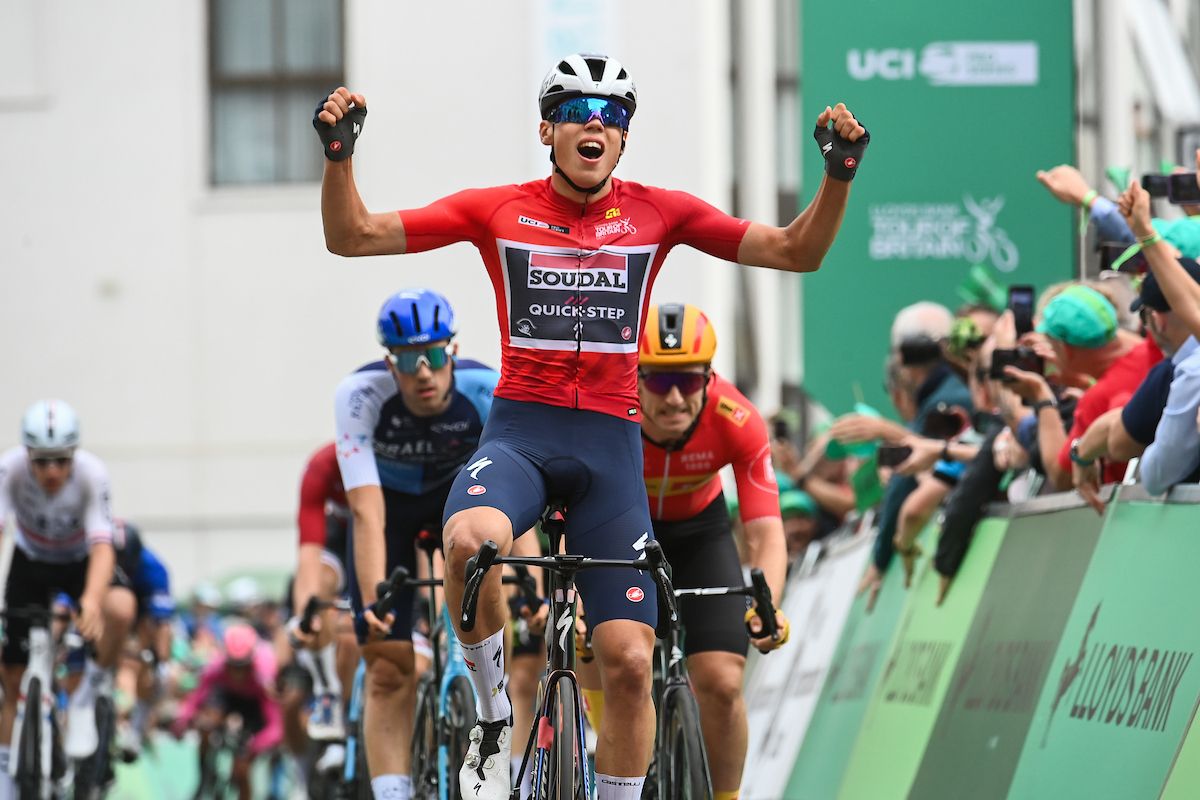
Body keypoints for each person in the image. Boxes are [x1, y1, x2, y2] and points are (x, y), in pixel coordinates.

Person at [316, 52, 867, 800]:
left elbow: (796, 252)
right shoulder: (498, 210)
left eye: (613, 115)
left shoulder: (658, 211)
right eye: (577, 110)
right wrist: (341, 157)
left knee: (632, 664)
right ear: (548, 127)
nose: (595, 125)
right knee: (467, 542)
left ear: (625, 137)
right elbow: (352, 235)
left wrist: (837, 178)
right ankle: (487, 714)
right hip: (521, 437)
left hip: (611, 452)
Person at [334, 289, 499, 800]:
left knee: (498, 581)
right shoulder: (359, 395)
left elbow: (515, 501)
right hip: (393, 514)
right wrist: (370, 602)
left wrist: (525, 581)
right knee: (386, 664)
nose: (422, 371)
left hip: (461, 503)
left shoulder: (486, 387)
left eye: (432, 354)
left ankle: (497, 723)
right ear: (390, 362)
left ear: (452, 350)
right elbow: (367, 509)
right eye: (407, 359)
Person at [632, 302, 789, 800]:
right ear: (634, 376)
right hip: (624, 529)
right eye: (658, 380)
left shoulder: (737, 418)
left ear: (709, 375)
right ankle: (597, 732)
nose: (675, 397)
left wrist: (766, 606)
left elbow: (766, 533)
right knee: (611, 652)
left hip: (702, 532)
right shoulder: (608, 412)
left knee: (721, 684)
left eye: (690, 379)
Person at [0, 400, 136, 792]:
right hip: (31, 560)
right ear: (27, 456)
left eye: (61, 460)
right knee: (11, 678)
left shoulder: (92, 474)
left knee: (120, 607)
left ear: (74, 455)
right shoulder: (9, 470)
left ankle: (85, 693)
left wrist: (91, 600)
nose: (52, 472)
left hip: (80, 561)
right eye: (41, 462)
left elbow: (103, 546)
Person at [286, 442, 355, 743]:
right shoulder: (323, 465)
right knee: (320, 586)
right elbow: (309, 556)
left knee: (353, 637)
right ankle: (328, 693)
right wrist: (306, 616)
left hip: (389, 536)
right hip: (339, 540)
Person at [172, 623, 282, 800]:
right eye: (233, 665)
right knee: (206, 722)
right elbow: (196, 697)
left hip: (254, 703)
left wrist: (254, 747)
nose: (237, 673)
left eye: (242, 666)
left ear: (251, 662)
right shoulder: (218, 667)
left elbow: (276, 728)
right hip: (227, 697)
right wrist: (183, 721)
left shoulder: (263, 676)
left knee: (242, 769)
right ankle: (204, 775)